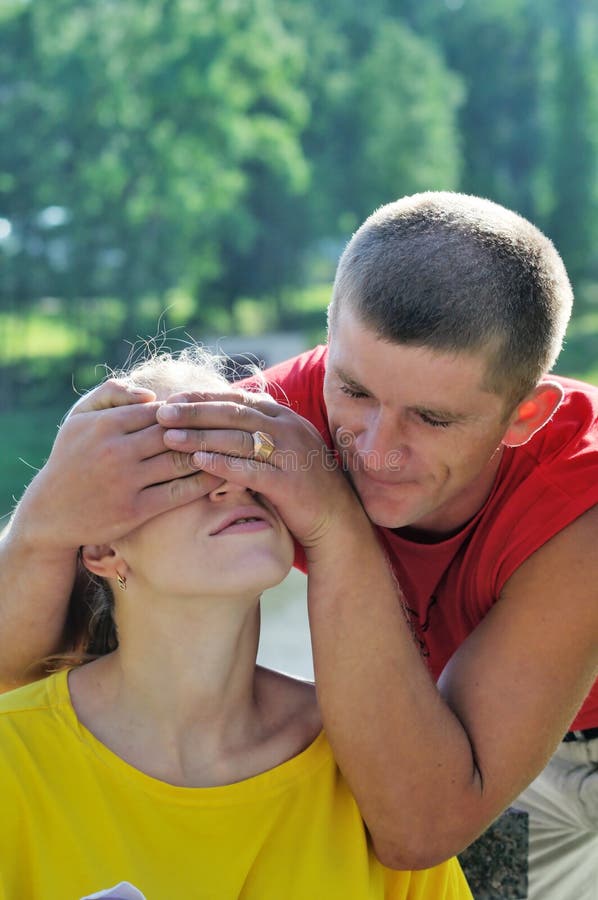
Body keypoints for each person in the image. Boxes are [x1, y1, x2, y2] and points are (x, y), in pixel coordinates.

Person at [1, 192, 597, 897]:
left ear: (524, 415)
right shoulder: (279, 417)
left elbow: (420, 827)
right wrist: (41, 525)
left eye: (431, 419)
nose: (376, 450)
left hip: (563, 757)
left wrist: (334, 524)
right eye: (354, 391)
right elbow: (37, 670)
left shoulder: (578, 504)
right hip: (409, 727)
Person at [0, 348, 473, 899]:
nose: (231, 484)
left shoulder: (373, 769)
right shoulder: (13, 757)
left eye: (252, 456)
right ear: (103, 549)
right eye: (185, 465)